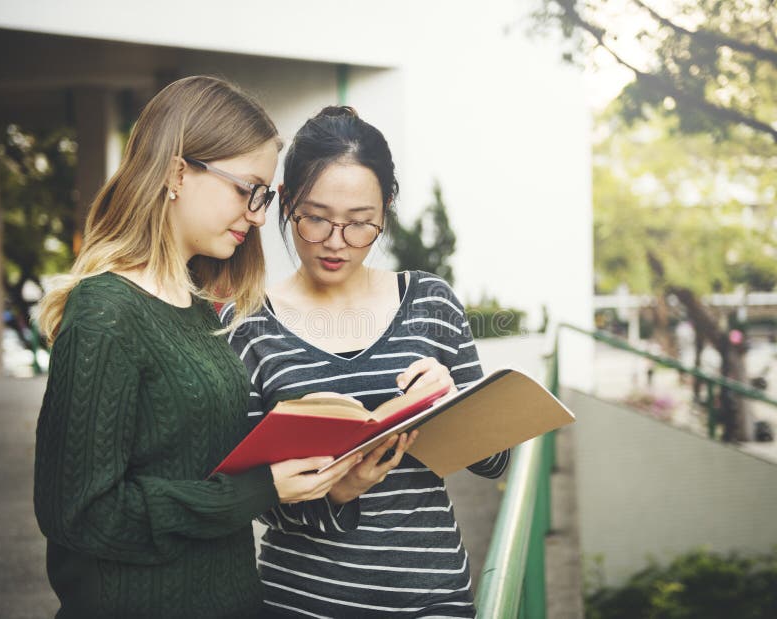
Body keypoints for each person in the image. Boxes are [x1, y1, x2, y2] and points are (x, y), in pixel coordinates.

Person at [33, 77, 359, 619]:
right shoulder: (105, 313)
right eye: (247, 189)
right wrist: (257, 490)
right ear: (177, 172)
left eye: (265, 197)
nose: (258, 215)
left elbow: (190, 457)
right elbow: (81, 516)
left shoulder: (196, 307)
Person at [223, 106, 510, 618]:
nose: (336, 242)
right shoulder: (248, 328)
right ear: (286, 202)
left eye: (360, 224)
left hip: (430, 597)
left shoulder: (430, 303)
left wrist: (452, 404)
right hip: (302, 602)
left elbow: (493, 463)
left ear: (387, 209)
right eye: (315, 219)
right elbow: (248, 498)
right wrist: (341, 492)